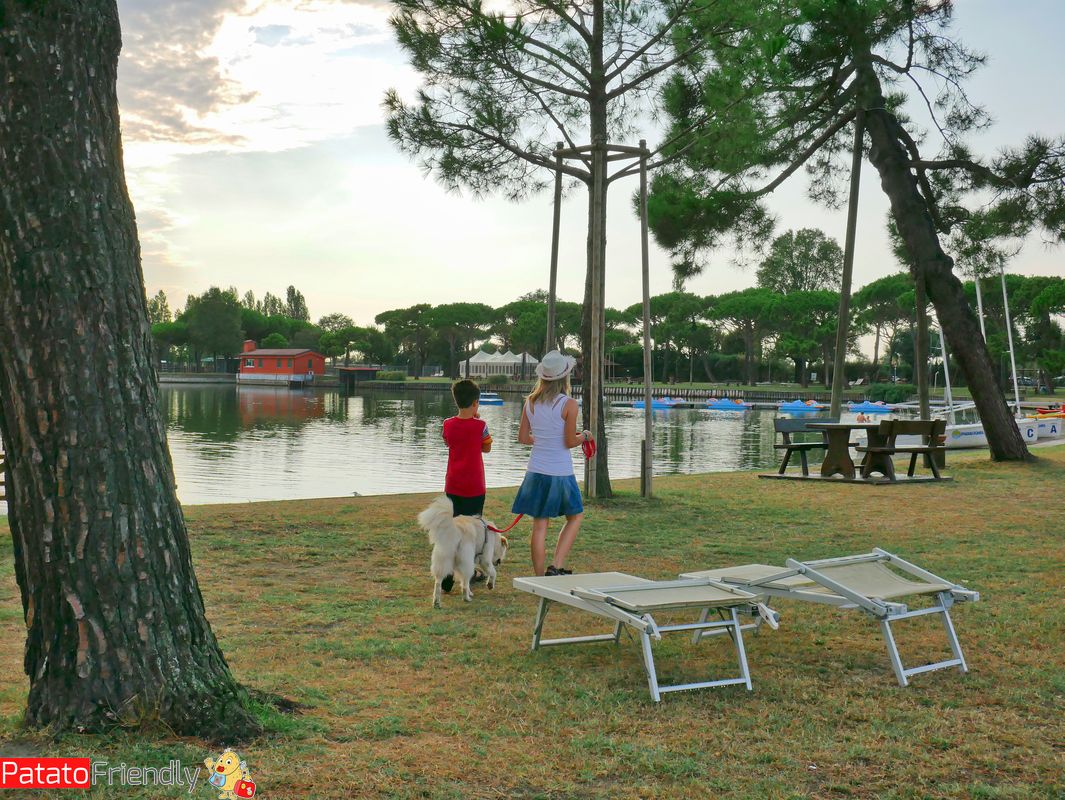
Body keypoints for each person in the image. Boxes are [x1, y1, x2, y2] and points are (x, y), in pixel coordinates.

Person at [512, 350, 589, 576]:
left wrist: (543, 439)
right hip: (560, 472)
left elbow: (523, 438)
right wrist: (585, 436)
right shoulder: (570, 404)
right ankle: (556, 565)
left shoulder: (531, 402)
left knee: (539, 525)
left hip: (536, 471)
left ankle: (539, 577)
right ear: (563, 377)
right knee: (575, 517)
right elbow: (569, 441)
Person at [440, 379, 493, 593]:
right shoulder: (480, 426)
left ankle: (447, 576)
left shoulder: (447, 425)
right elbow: (487, 447)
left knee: (453, 530)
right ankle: (468, 573)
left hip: (453, 485)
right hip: (475, 487)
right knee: (471, 534)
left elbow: (448, 441)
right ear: (475, 402)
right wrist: (476, 421)